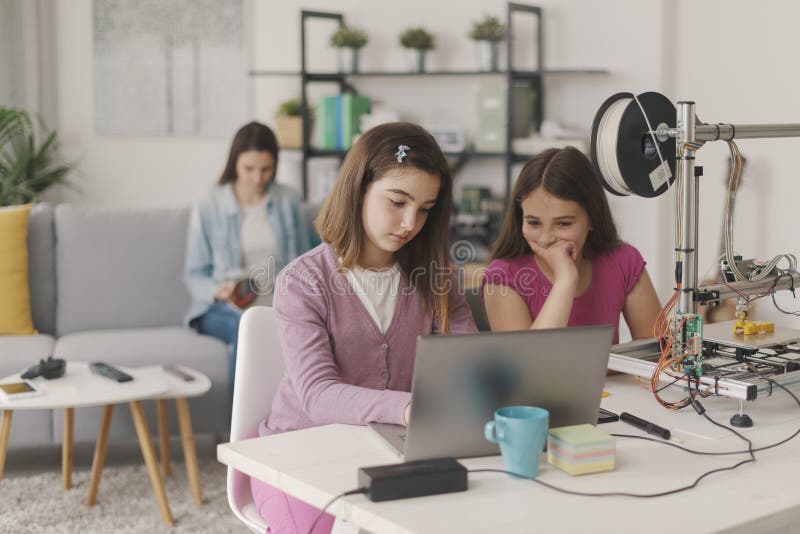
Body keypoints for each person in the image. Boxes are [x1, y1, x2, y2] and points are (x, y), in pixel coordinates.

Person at [251, 122, 477, 533]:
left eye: (425, 209)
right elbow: (318, 395)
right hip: (296, 454)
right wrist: (408, 407)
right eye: (397, 201)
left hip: (390, 453)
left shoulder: (439, 275)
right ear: (359, 189)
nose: (410, 222)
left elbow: (465, 363)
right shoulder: (303, 281)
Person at [482, 146, 661, 343]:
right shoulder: (502, 276)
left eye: (563, 223)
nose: (545, 238)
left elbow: (656, 351)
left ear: (592, 218)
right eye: (533, 222)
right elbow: (529, 364)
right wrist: (565, 281)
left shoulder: (624, 261)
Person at [184, 121, 313, 386]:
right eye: (249, 169)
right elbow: (194, 274)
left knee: (286, 330)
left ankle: (285, 423)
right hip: (222, 307)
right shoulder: (209, 204)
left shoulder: (288, 201)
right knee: (247, 330)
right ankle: (240, 427)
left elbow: (306, 260)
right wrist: (216, 290)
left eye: (266, 169)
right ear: (234, 164)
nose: (258, 178)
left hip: (276, 301)